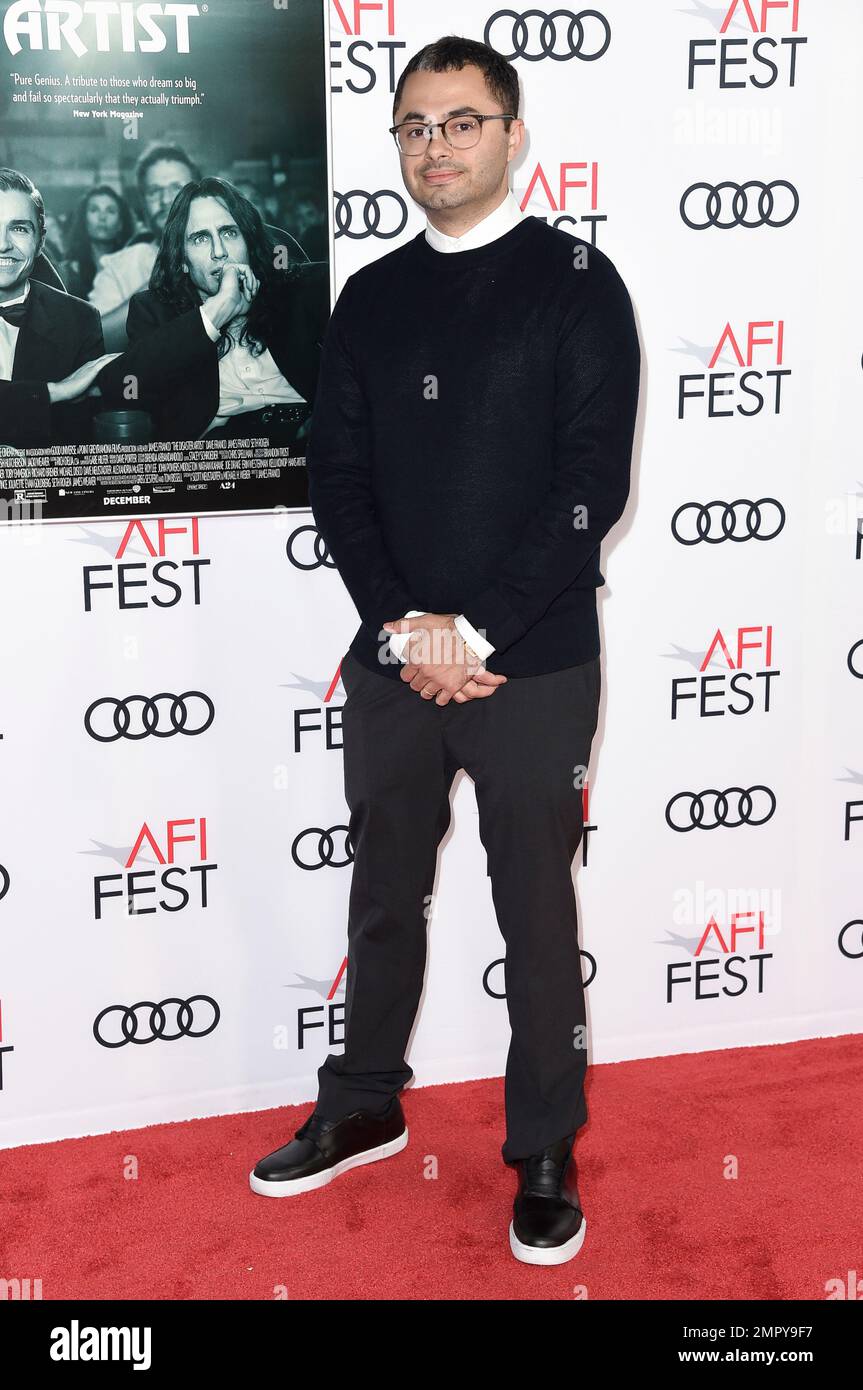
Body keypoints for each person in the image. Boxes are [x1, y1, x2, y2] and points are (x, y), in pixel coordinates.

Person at [250, 35, 641, 1267]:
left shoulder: (579, 283)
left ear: (511, 136)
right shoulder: (370, 295)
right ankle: (364, 1097)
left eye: (460, 122)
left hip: (534, 659)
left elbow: (590, 489)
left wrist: (471, 631)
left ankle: (542, 1149)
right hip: (392, 662)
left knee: (534, 908)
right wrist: (400, 628)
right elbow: (339, 477)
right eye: (413, 126)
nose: (435, 145)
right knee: (382, 891)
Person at [96, 176, 328, 444]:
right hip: (223, 455)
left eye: (229, 233)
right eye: (200, 239)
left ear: (249, 244)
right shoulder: (154, 310)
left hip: (312, 447)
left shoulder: (296, 290)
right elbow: (123, 389)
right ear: (182, 260)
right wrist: (216, 311)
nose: (220, 252)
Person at [0, 167, 117, 449]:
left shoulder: (79, 320)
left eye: (18, 228)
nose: (3, 245)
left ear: (40, 240)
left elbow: (78, 441)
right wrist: (53, 392)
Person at [60, 184, 134, 300]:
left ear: (121, 224)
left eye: (110, 211)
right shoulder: (66, 273)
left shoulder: (133, 268)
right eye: (94, 210)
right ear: (84, 220)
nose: (102, 217)